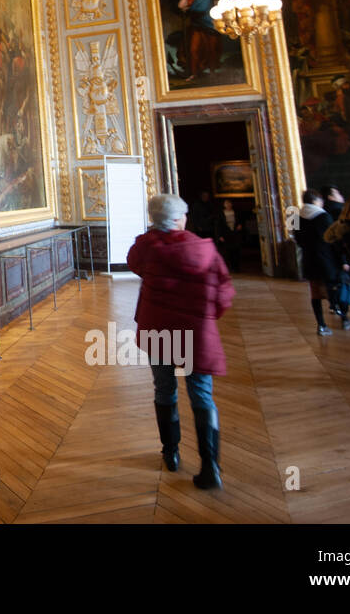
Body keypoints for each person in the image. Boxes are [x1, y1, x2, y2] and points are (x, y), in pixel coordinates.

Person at [127, 194, 234, 490]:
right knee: (201, 395)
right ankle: (210, 466)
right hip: (196, 333)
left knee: (164, 389)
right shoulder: (204, 249)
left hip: (158, 330)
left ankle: (170, 452)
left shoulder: (145, 247)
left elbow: (134, 264)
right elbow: (224, 294)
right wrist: (208, 317)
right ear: (178, 218)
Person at [294, 189, 350, 333]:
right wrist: (343, 260)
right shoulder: (324, 216)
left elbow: (297, 239)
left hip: (309, 259)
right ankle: (344, 318)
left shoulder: (294, 216)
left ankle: (321, 325)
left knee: (315, 294)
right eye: (320, 200)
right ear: (315, 201)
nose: (322, 203)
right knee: (336, 289)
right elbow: (334, 240)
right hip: (327, 260)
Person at [218, 198, 244, 272]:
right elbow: (218, 225)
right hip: (226, 234)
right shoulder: (221, 213)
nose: (228, 205)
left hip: (235, 233)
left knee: (237, 250)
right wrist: (220, 236)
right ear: (224, 205)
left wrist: (240, 225)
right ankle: (231, 267)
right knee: (229, 251)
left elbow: (241, 220)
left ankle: (237, 267)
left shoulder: (236, 212)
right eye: (226, 203)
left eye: (229, 203)